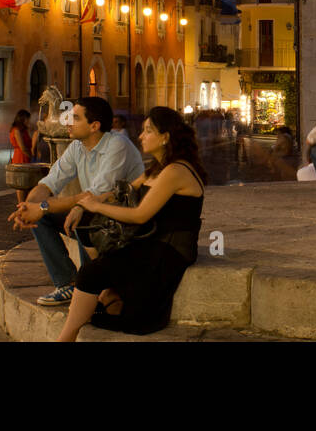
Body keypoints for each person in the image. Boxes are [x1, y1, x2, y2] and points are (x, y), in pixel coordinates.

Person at [56, 107, 206, 340]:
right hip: (151, 240)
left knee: (89, 274)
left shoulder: (176, 171)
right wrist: (84, 205)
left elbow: (139, 215)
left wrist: (96, 206)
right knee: (87, 225)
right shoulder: (158, 168)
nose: (140, 136)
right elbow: (120, 192)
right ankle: (109, 294)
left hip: (169, 249)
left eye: (148, 131)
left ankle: (66, 336)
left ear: (165, 137)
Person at [7, 97, 145, 305]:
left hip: (125, 220)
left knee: (82, 213)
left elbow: (93, 196)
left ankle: (88, 283)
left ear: (94, 126)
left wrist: (43, 207)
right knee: (49, 217)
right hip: (97, 211)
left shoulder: (117, 145)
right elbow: (49, 183)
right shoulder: (77, 147)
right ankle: (68, 283)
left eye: (75, 118)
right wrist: (27, 207)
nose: (68, 122)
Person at [9, 110, 33, 206]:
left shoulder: (23, 130)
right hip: (21, 157)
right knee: (21, 183)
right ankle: (21, 204)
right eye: (27, 119)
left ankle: (25, 204)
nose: (29, 121)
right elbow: (22, 147)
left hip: (24, 156)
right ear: (22, 119)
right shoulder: (16, 130)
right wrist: (31, 156)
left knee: (26, 182)